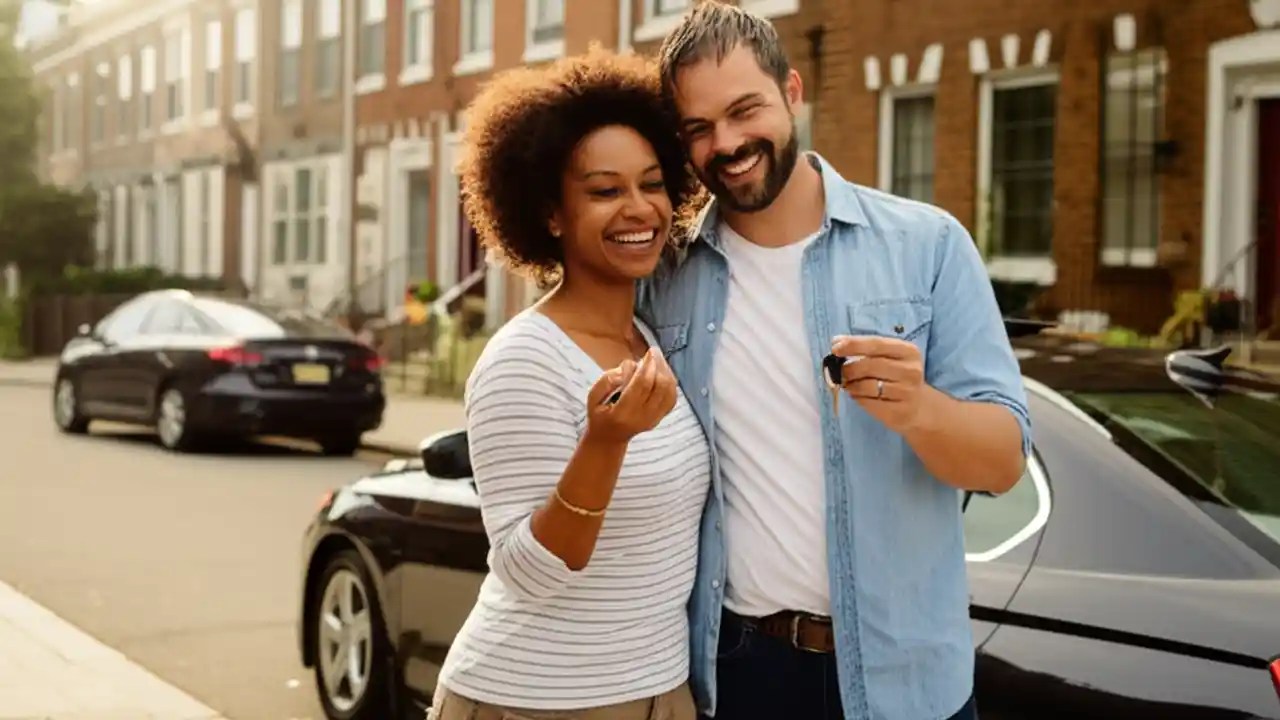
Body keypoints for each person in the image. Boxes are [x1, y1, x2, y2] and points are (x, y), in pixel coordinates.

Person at [640, 3, 1033, 719]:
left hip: (906, 682)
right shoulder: (667, 275)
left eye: (744, 110)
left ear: (792, 93)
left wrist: (921, 410)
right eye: (699, 129)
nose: (726, 143)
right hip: (738, 676)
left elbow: (1003, 462)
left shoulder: (928, 245)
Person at [427, 47, 708, 720]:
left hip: (658, 689)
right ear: (551, 214)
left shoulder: (652, 336)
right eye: (605, 191)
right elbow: (530, 572)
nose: (639, 209)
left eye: (652, 184)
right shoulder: (521, 360)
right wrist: (604, 444)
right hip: (537, 697)